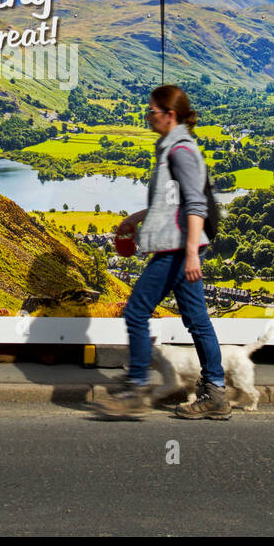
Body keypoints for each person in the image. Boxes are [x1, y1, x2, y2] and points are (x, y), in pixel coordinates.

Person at [92, 84, 230, 420]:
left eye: (152, 110)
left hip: (177, 250)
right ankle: (215, 393)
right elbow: (173, 203)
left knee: (136, 311)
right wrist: (135, 219)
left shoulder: (180, 150)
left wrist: (193, 254)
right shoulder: (172, 147)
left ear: (169, 115)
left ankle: (137, 387)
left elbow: (196, 204)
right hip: (179, 247)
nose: (147, 115)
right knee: (198, 322)